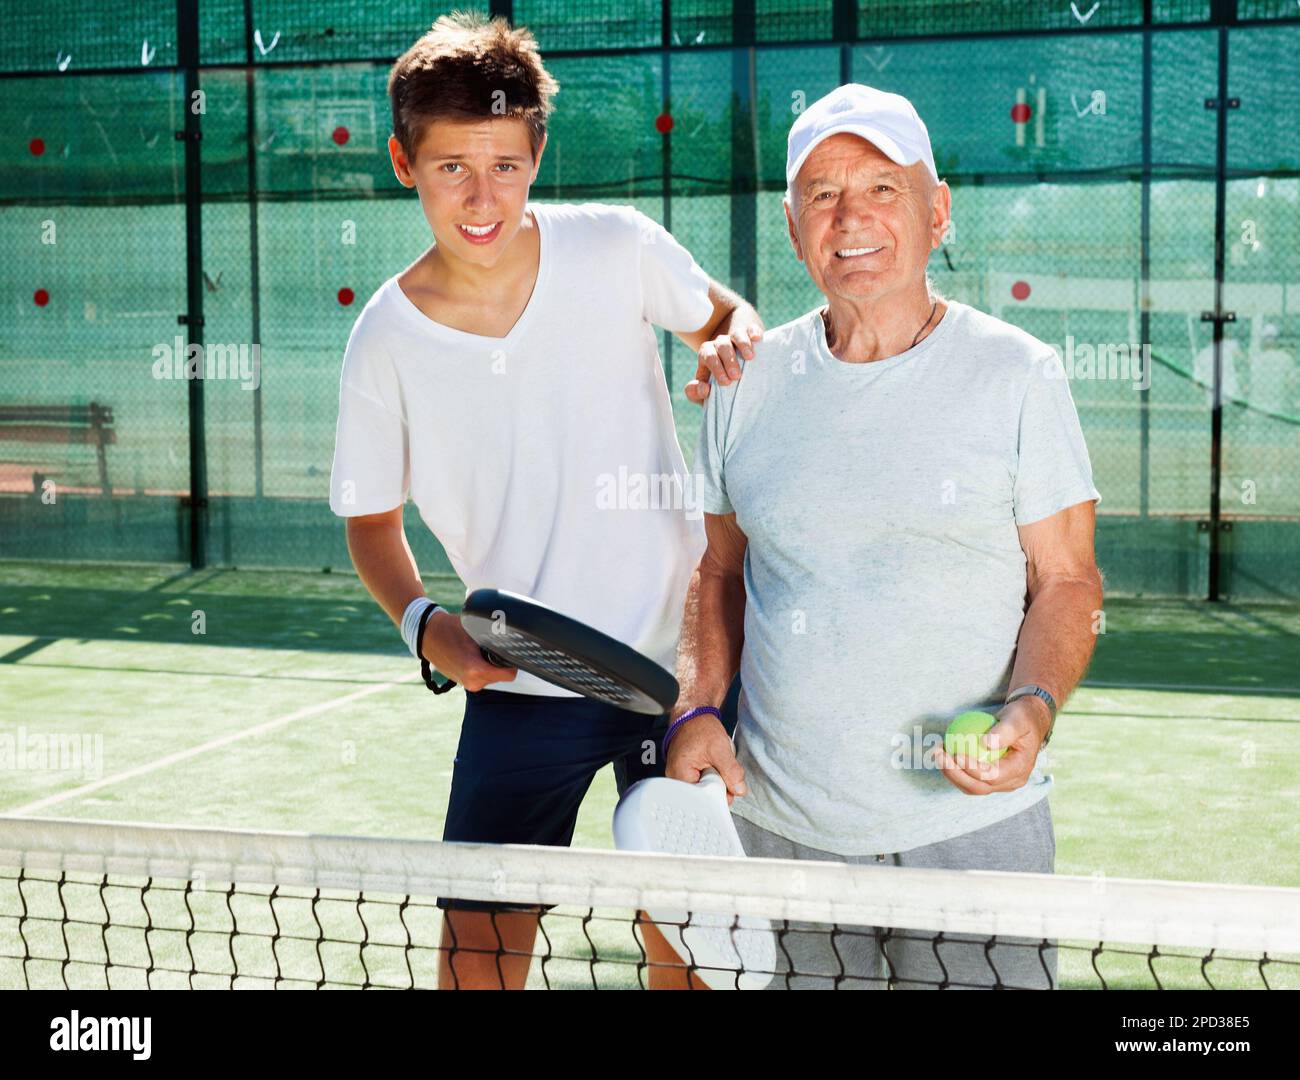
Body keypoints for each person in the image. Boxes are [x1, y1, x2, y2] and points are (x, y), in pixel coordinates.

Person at [329, 13, 762, 990]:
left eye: (504, 166)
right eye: (450, 169)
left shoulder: (614, 247)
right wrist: (422, 623)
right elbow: (368, 521)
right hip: (524, 687)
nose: (482, 197)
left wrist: (730, 344)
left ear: (536, 154)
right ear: (403, 162)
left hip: (681, 673)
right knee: (477, 962)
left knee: (687, 952)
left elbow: (725, 319)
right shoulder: (384, 342)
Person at [666, 84, 1103, 989]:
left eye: (881, 188)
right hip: (781, 837)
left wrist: (1033, 707)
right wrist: (698, 704)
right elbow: (718, 570)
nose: (850, 217)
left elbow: (1067, 583)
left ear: (936, 211)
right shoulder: (743, 382)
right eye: (822, 194)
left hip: (972, 840)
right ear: (792, 227)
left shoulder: (1018, 373)